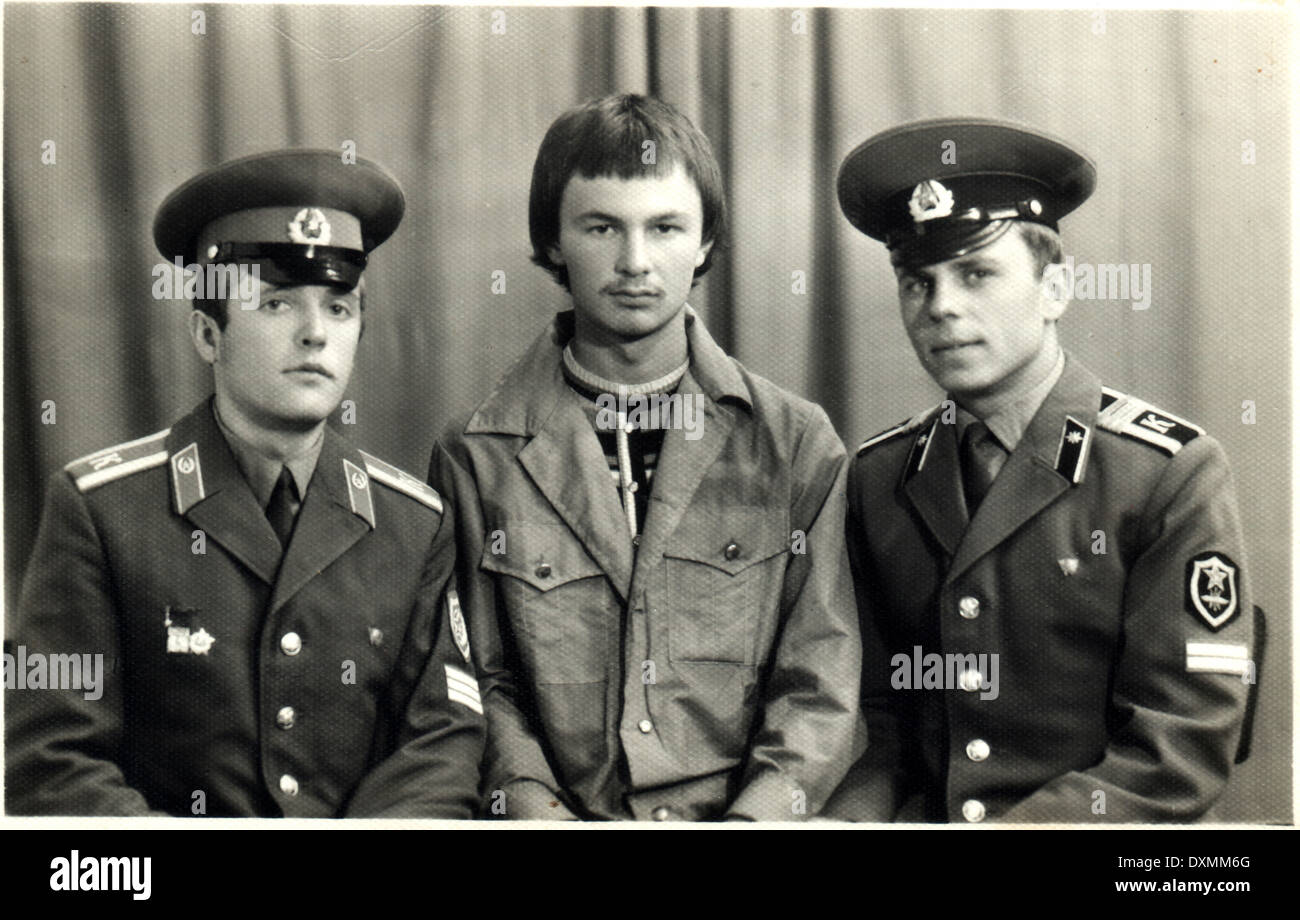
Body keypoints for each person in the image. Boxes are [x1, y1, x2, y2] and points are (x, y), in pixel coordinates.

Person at [5, 149, 484, 817]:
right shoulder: (102, 511)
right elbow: (50, 763)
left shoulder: (413, 522)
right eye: (278, 303)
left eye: (339, 309)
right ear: (207, 332)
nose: (316, 334)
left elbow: (441, 742)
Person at [430, 94, 861, 821]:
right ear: (555, 241)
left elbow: (819, 681)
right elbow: (480, 678)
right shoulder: (476, 454)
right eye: (601, 227)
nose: (635, 262)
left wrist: (755, 819)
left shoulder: (794, 442)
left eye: (665, 228)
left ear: (703, 243)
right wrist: (535, 808)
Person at [824, 118, 1256, 823]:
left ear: (1054, 288)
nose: (942, 309)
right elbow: (877, 726)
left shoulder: (1165, 473)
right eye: (916, 283)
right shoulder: (880, 479)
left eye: (977, 274)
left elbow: (1177, 748)